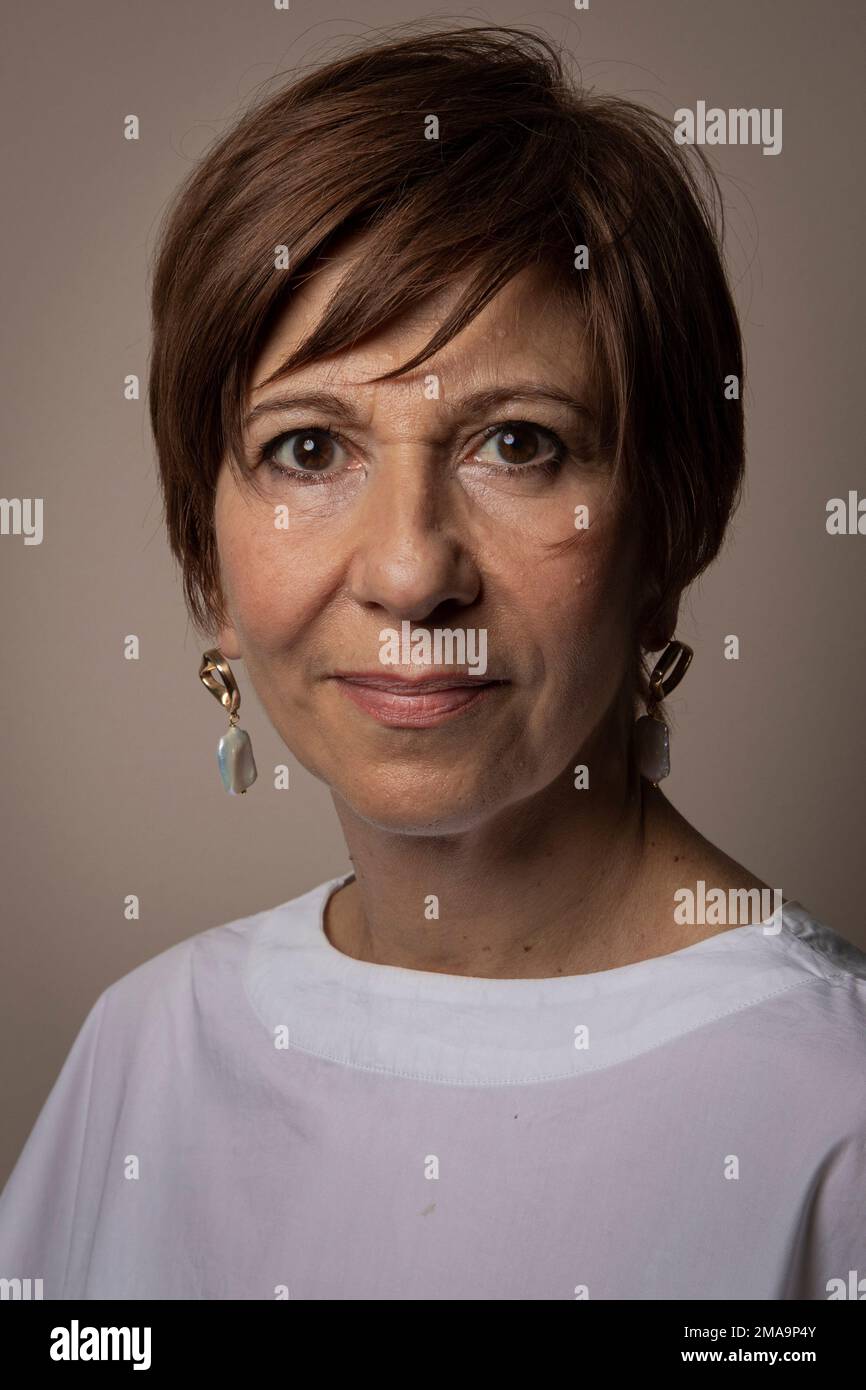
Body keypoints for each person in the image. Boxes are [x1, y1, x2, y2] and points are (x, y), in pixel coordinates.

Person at [1, 24, 864, 1301]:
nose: (410, 571)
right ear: (206, 569)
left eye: (517, 443)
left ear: (663, 538)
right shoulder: (144, 1048)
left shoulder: (830, 1108)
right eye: (307, 450)